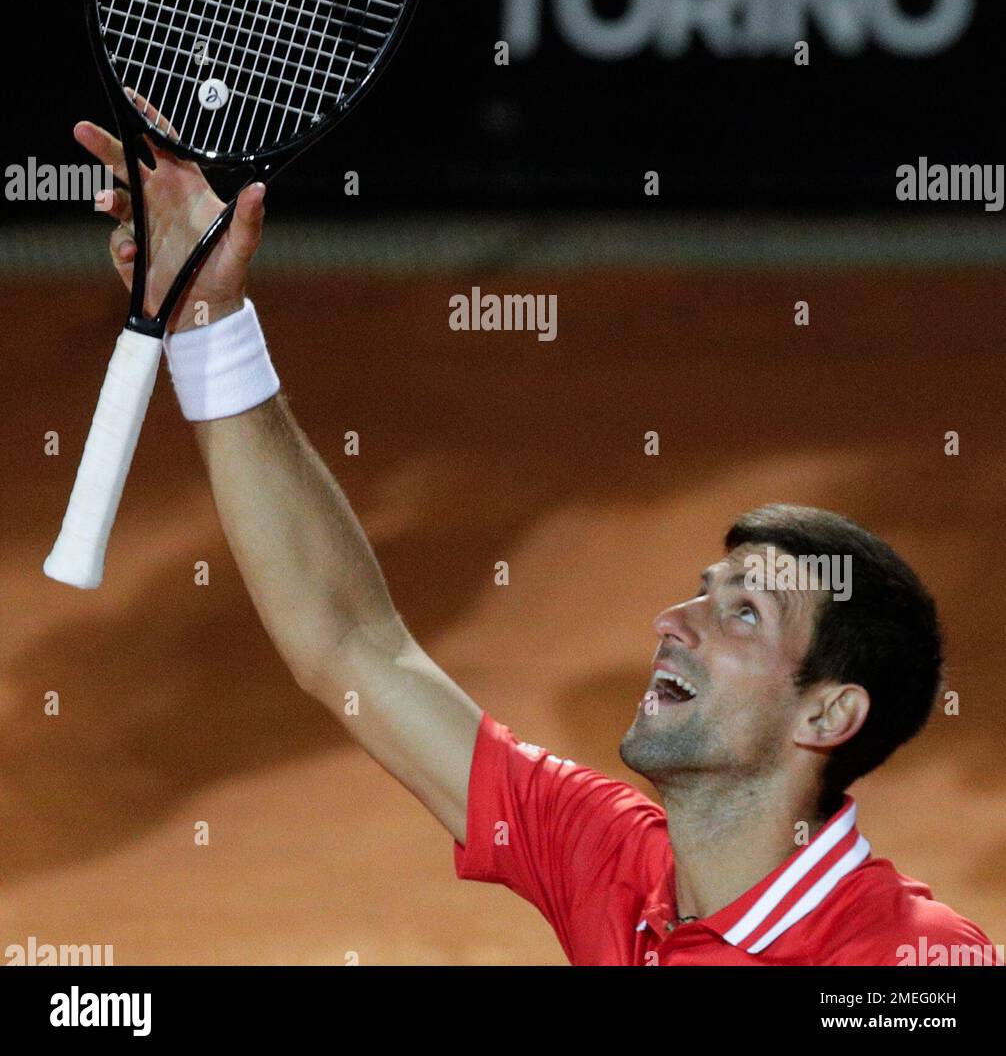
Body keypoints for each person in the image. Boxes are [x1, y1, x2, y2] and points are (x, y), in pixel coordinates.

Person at [77, 112, 999, 967]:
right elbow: (351, 645)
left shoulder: (909, 956)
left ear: (827, 717)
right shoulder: (613, 861)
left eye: (745, 613)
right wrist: (209, 324)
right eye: (704, 592)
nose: (675, 621)